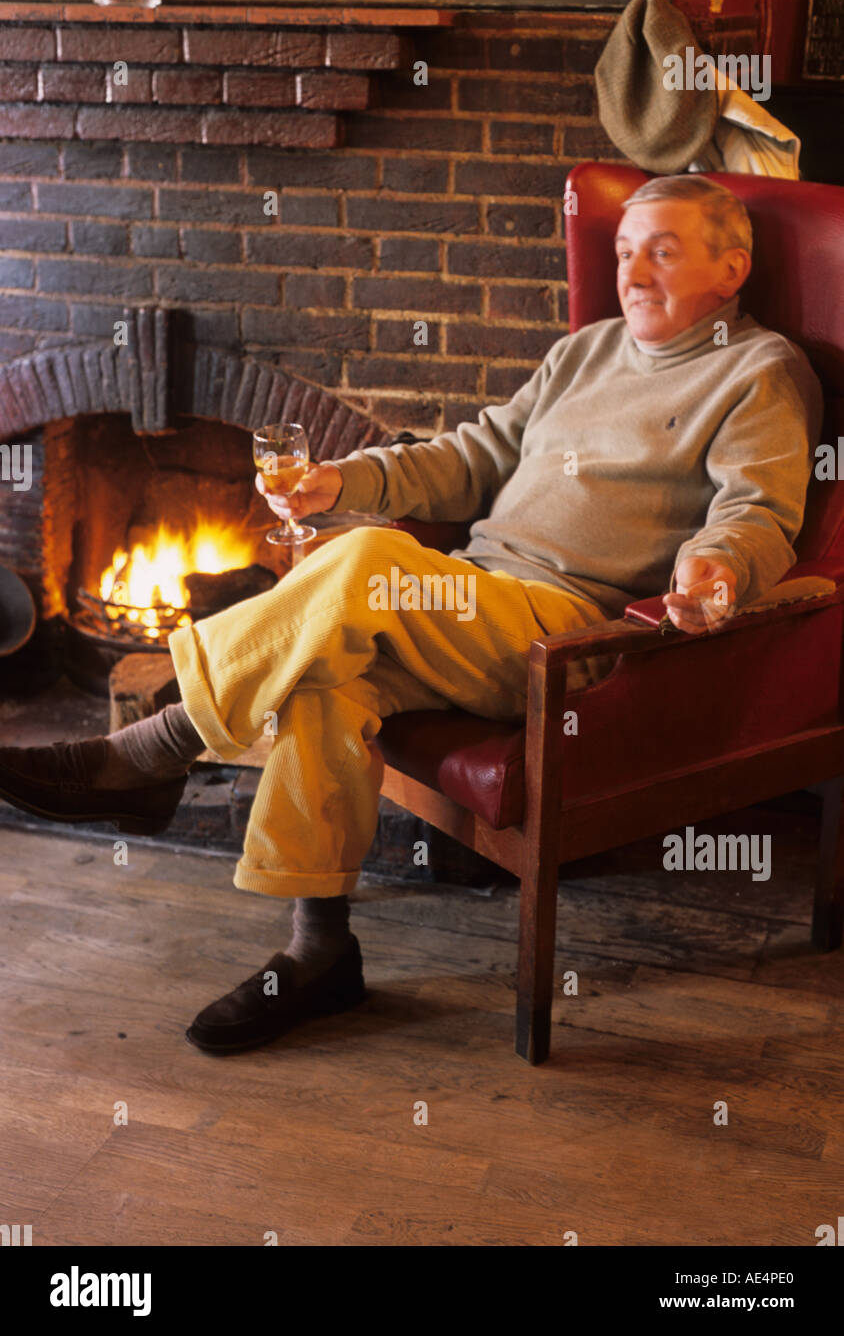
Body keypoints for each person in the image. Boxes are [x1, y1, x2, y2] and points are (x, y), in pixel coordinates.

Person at [0, 175, 823, 1054]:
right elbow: (473, 456)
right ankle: (318, 953)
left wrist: (716, 568)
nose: (633, 271)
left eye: (662, 250)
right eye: (623, 251)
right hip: (471, 600)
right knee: (325, 680)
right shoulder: (586, 351)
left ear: (730, 268)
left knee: (362, 558)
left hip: (568, 635)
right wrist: (340, 483)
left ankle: (150, 751)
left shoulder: (759, 371)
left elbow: (757, 514)